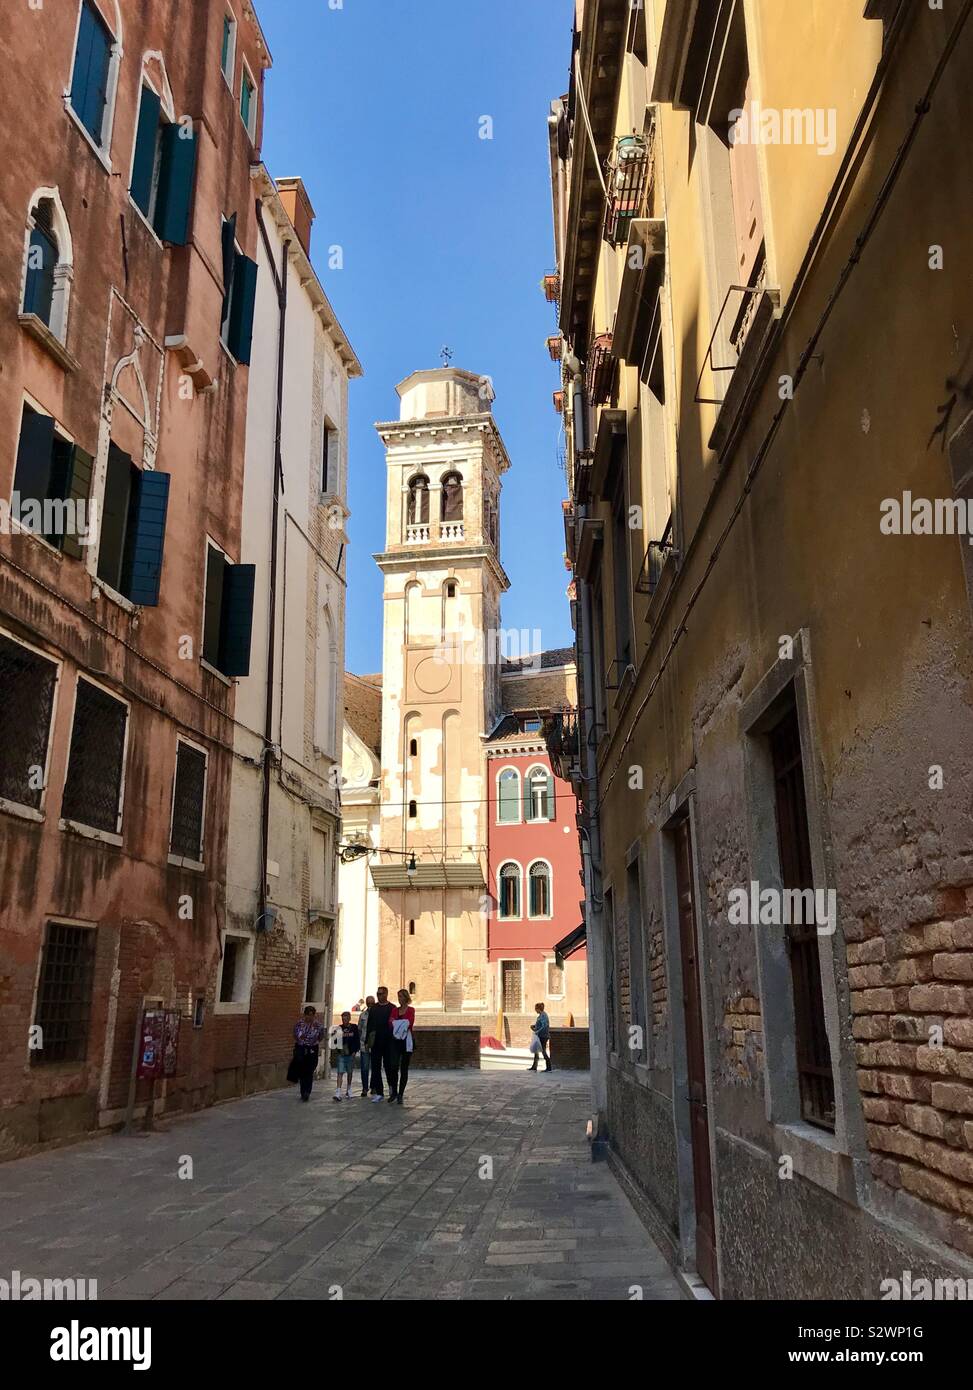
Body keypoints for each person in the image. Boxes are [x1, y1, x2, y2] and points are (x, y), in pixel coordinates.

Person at [366, 986, 396, 1102]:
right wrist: (367, 1041)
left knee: (389, 1067)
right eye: (378, 994)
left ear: (386, 994)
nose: (379, 996)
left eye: (381, 994)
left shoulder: (392, 1008)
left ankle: (391, 1088)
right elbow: (369, 1025)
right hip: (376, 1043)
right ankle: (379, 1092)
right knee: (375, 1068)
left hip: (388, 1043)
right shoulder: (373, 1008)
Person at [292, 1005, 325, 1101]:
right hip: (301, 1048)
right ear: (304, 1015)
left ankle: (308, 1091)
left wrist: (313, 1043)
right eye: (308, 1015)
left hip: (312, 1048)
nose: (309, 1017)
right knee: (302, 1070)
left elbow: (321, 1036)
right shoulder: (299, 1024)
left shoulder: (318, 1026)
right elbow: (295, 1035)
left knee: (310, 1070)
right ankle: (303, 1091)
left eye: (311, 1015)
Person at [389, 989, 416, 1105]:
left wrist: (398, 1024)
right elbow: (390, 1023)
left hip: (406, 1042)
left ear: (406, 997)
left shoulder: (411, 1010)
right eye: (398, 996)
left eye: (401, 996)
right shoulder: (395, 1010)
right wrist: (401, 1024)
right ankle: (394, 1092)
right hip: (395, 1041)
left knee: (404, 1068)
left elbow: (409, 1023)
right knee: (393, 1067)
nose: (399, 999)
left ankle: (400, 1094)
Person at [333, 1011, 360, 1100]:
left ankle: (349, 1089)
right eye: (343, 1018)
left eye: (346, 1018)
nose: (344, 1020)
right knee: (340, 1072)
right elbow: (335, 1041)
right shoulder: (339, 1028)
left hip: (351, 1054)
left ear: (349, 1018)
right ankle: (338, 1091)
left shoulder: (354, 1027)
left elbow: (357, 1040)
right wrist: (339, 1050)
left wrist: (354, 1052)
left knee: (350, 1072)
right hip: (342, 1054)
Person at [528, 1001, 552, 1072]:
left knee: (543, 1051)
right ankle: (534, 1066)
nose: (535, 1010)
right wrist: (534, 1027)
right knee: (536, 1050)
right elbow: (540, 1025)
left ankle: (549, 1067)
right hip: (539, 1036)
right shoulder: (541, 1016)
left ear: (538, 1009)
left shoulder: (543, 1016)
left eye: (536, 1009)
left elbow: (545, 1026)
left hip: (543, 1036)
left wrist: (537, 1031)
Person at [358, 995, 374, 1097]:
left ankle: (374, 1087)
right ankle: (364, 1088)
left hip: (375, 1045)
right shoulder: (362, 1015)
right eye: (369, 1004)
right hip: (364, 1045)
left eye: (372, 1004)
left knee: (375, 1067)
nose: (370, 1005)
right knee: (364, 1068)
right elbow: (359, 1029)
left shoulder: (377, 1014)